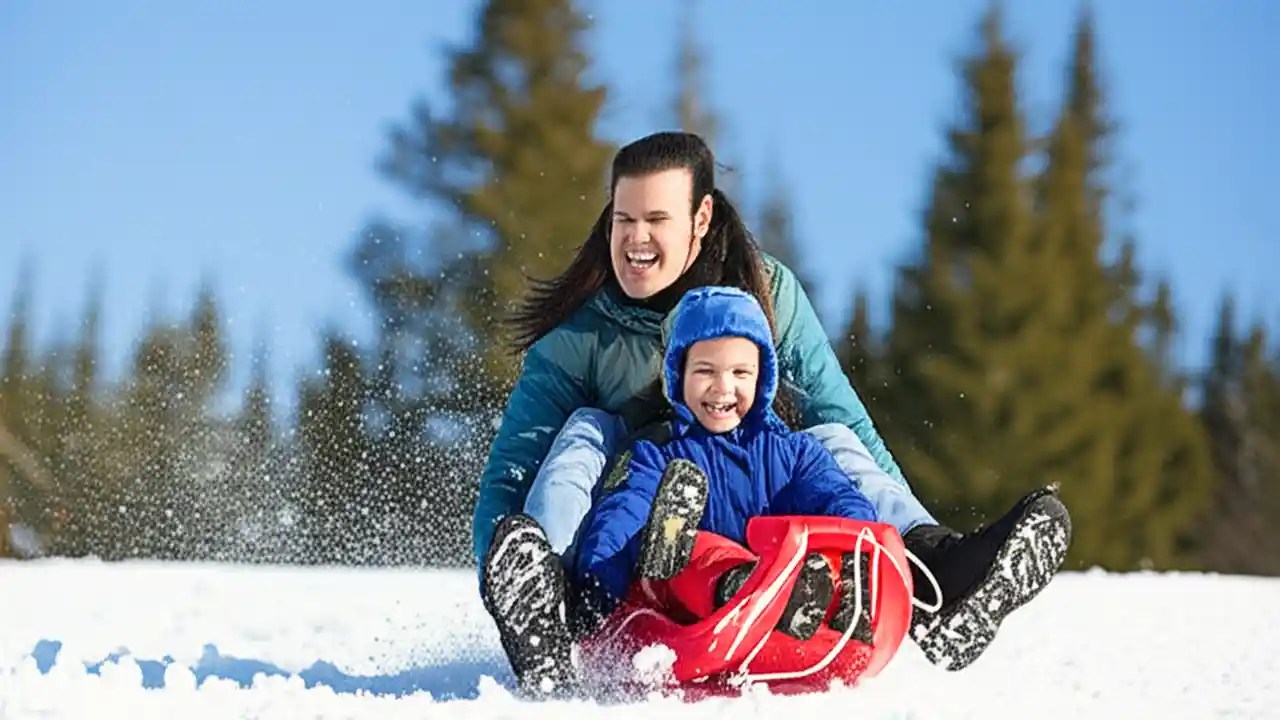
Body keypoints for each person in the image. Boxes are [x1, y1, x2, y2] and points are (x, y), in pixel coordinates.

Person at [475, 131, 1071, 691]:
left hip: (744, 497)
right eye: (623, 218)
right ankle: (543, 598)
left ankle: (934, 575)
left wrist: (876, 527)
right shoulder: (584, 330)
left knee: (830, 439)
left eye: (657, 219)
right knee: (584, 431)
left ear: (700, 219)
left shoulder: (767, 295)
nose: (635, 239)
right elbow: (515, 466)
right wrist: (501, 581)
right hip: (629, 530)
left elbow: (843, 420)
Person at [572, 285, 882, 644]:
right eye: (705, 371)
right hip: (690, 616)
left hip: (784, 605)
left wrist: (857, 556)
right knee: (684, 549)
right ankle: (741, 585)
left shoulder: (796, 453)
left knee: (814, 535)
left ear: (762, 379)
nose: (723, 388)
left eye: (740, 373)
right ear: (678, 376)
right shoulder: (658, 453)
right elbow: (621, 518)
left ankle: (816, 595)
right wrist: (596, 594)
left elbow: (842, 499)